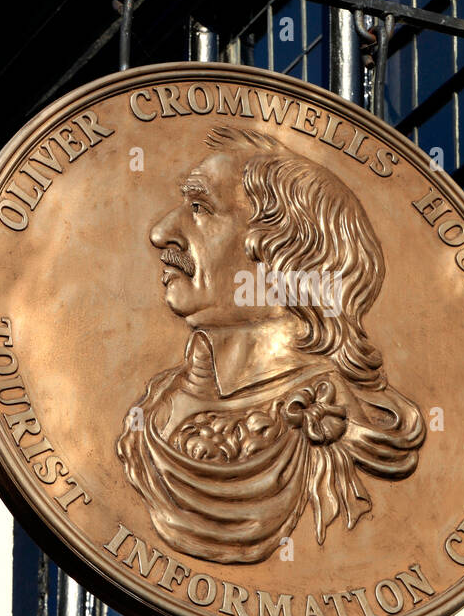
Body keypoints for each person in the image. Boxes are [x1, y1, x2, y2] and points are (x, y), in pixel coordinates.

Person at [116, 125, 425, 565]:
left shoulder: (341, 422)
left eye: (201, 207)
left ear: (283, 254)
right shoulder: (152, 410)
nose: (161, 232)